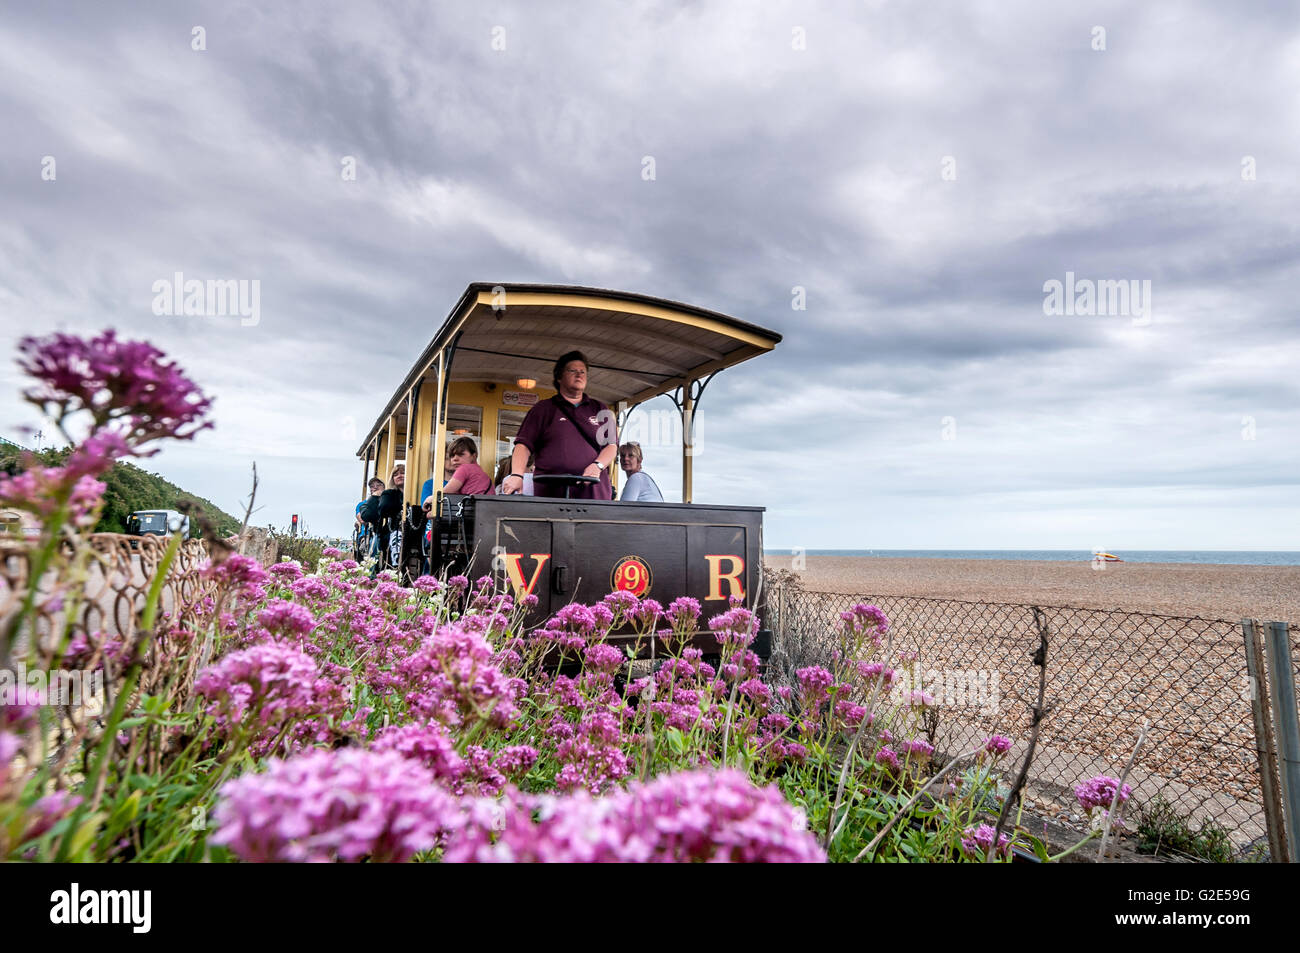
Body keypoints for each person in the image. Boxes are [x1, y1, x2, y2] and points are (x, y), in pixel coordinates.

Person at [502, 351, 617, 500]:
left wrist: (598, 465)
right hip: (551, 491)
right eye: (572, 371)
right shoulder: (543, 409)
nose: (579, 375)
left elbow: (611, 446)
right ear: (559, 377)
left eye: (582, 372)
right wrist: (517, 474)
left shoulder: (600, 408)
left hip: (593, 490)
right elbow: (523, 444)